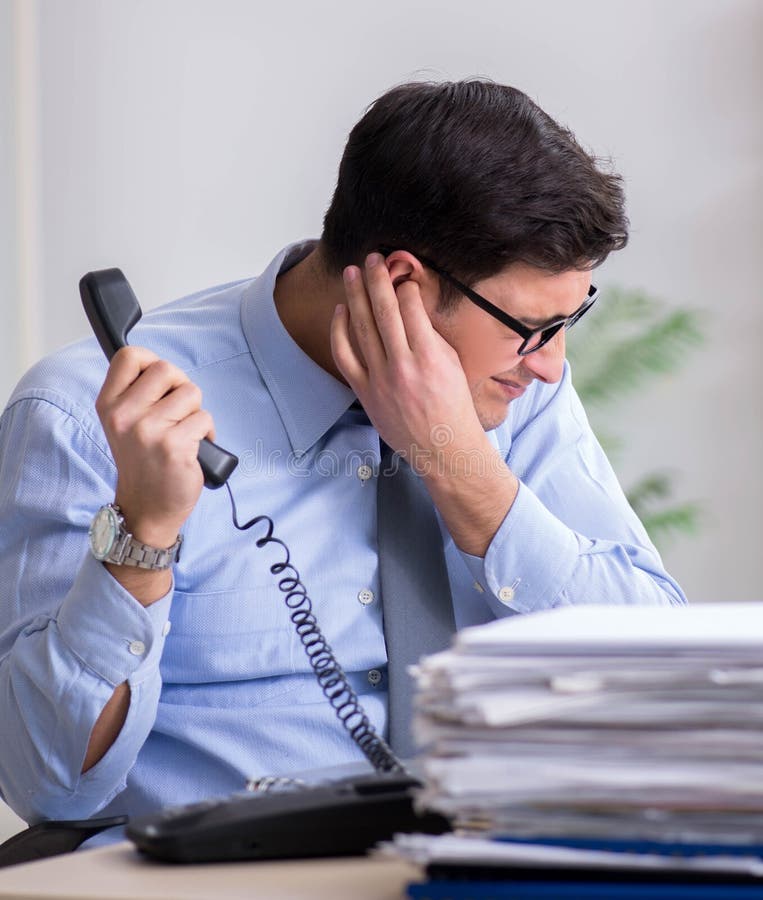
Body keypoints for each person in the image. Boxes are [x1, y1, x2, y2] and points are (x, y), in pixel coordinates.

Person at [0, 80, 685, 831]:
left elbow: (658, 677)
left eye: (569, 320)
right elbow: (50, 787)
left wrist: (459, 464)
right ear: (400, 285)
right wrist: (142, 534)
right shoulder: (84, 414)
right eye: (530, 328)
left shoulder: (516, 393)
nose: (551, 363)